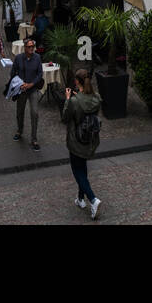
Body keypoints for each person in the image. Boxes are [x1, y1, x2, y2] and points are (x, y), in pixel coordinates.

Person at [62, 68, 103, 219]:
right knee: (83, 167)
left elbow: (65, 118)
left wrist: (68, 99)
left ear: (76, 81)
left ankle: (93, 199)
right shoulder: (96, 97)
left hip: (76, 139)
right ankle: (80, 199)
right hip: (90, 139)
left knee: (77, 170)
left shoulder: (74, 101)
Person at [12, 37, 43, 150]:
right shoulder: (18, 58)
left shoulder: (37, 58)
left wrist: (31, 84)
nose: (31, 48)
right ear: (24, 47)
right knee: (20, 112)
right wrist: (19, 84)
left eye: (32, 46)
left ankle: (34, 139)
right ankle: (20, 131)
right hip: (21, 90)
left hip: (33, 89)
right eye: (29, 47)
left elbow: (40, 74)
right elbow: (13, 72)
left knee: (35, 113)